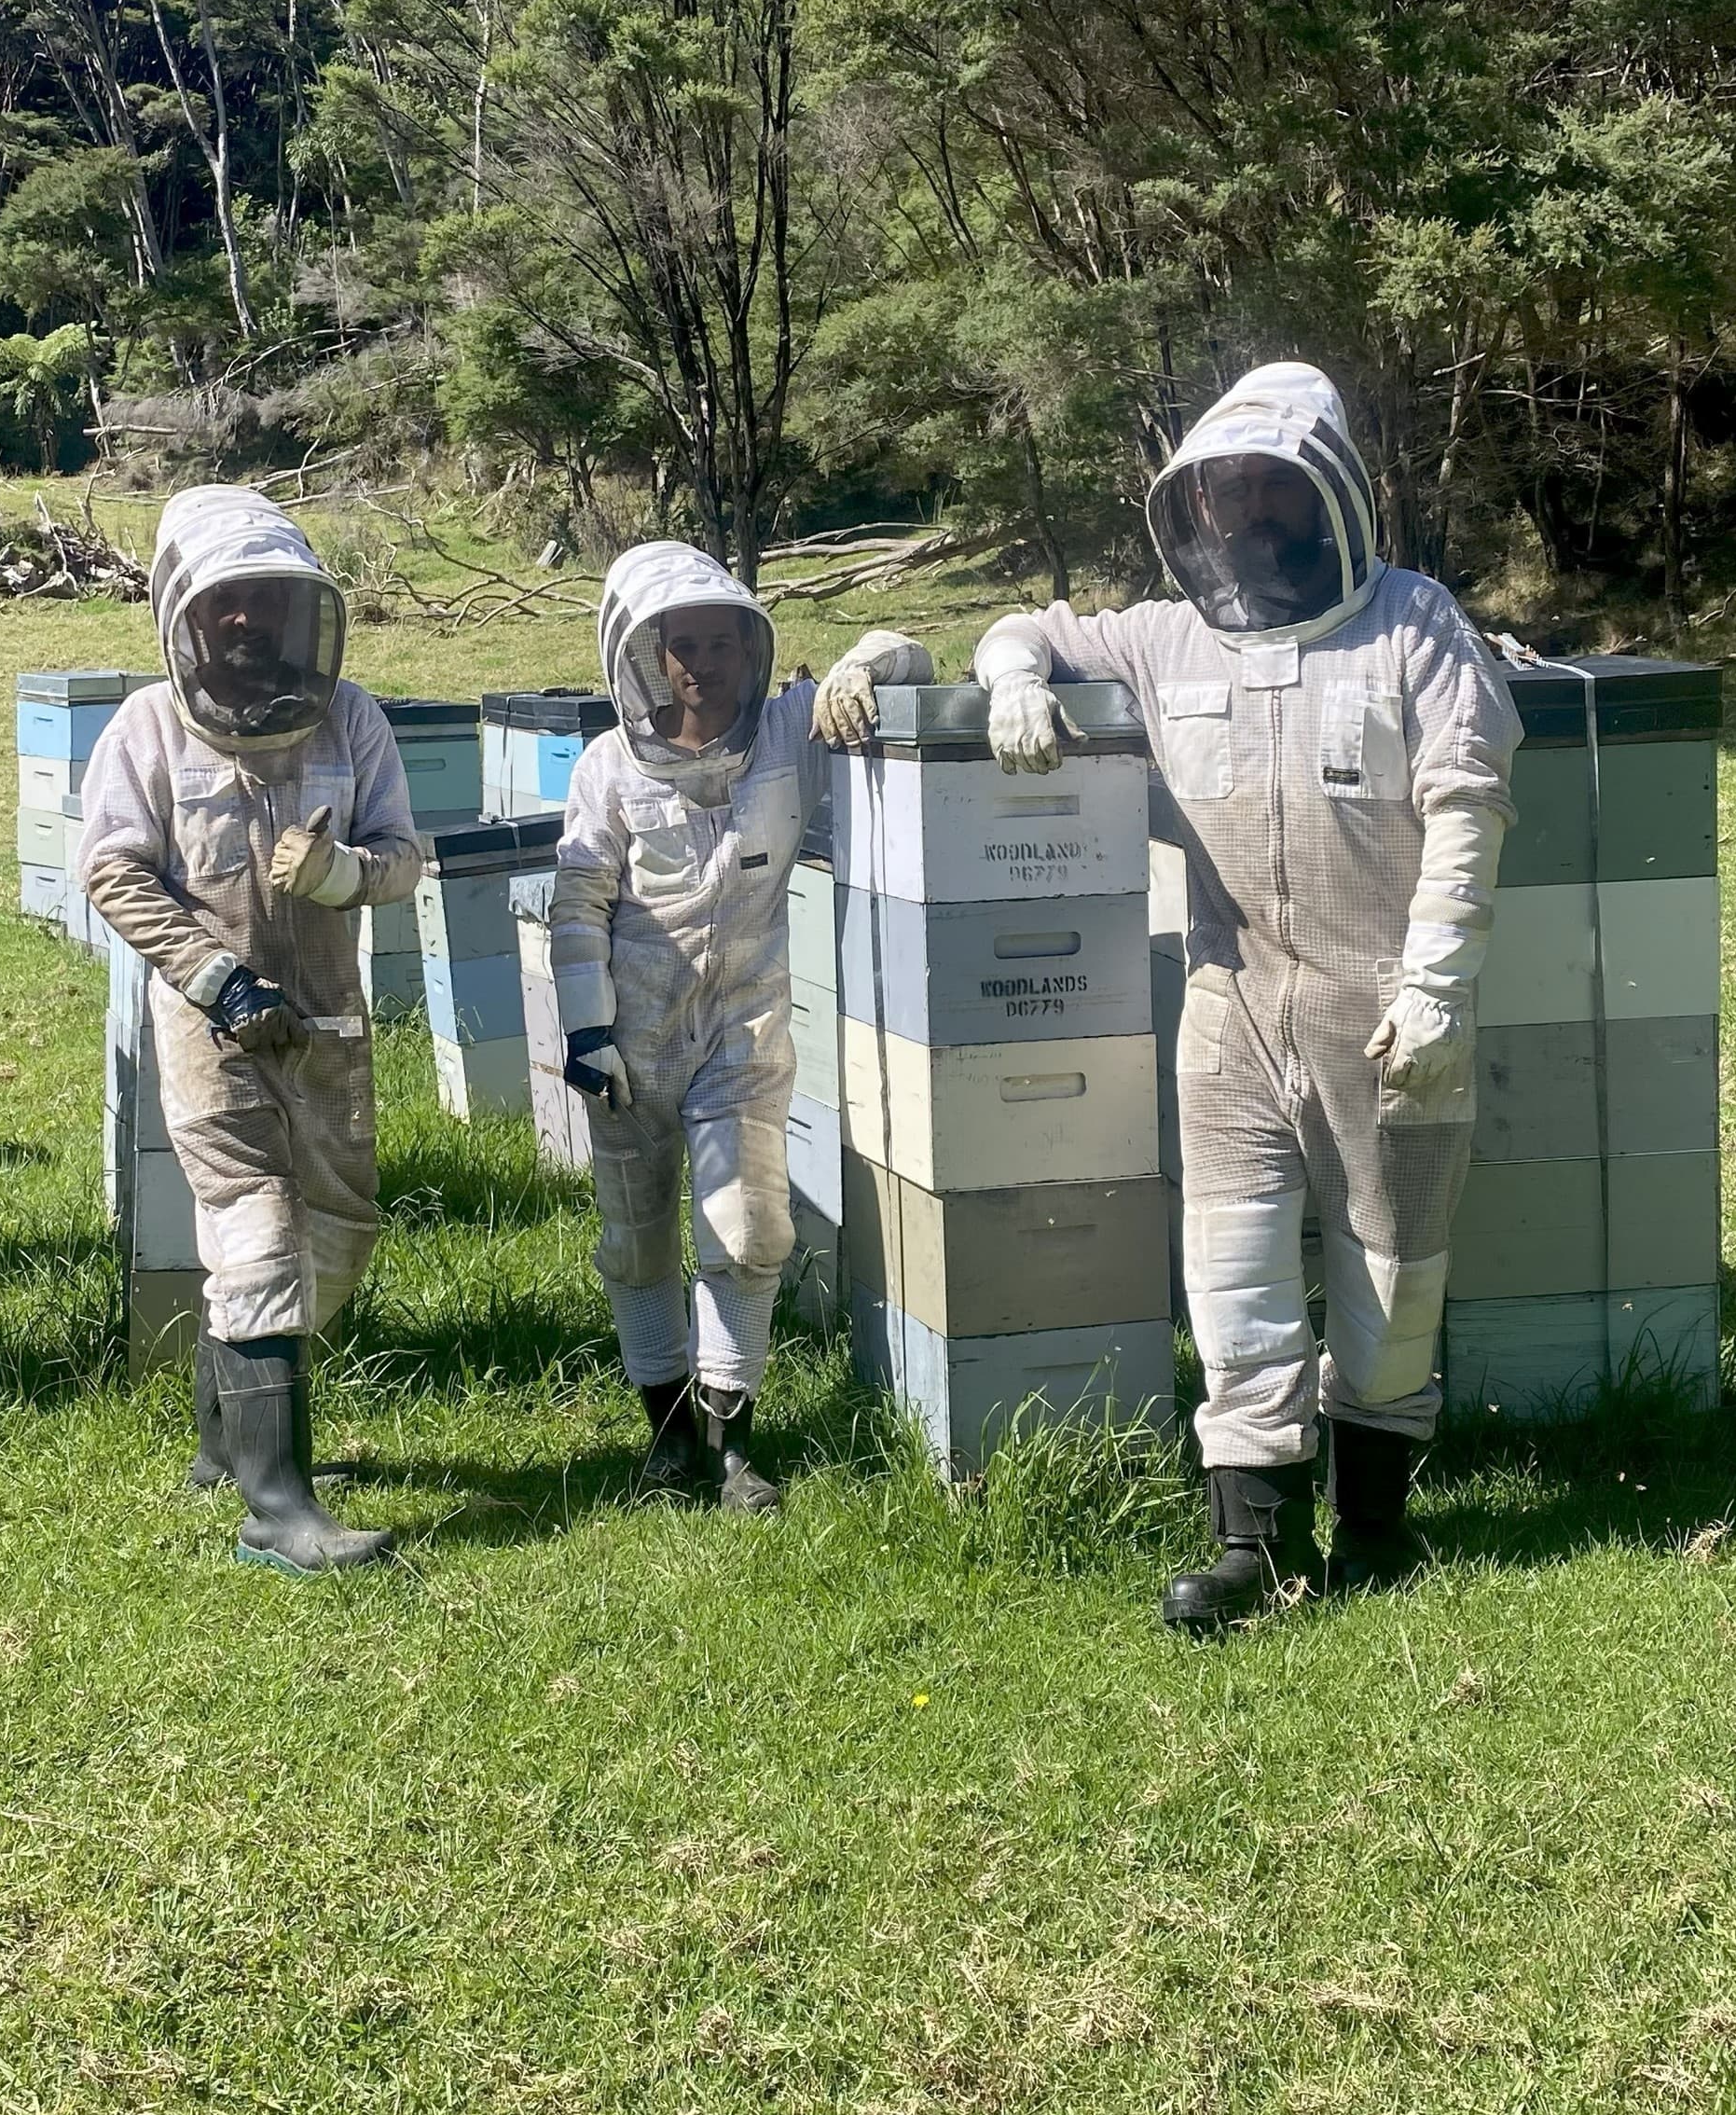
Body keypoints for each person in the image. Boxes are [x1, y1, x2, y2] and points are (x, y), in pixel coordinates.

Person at [971, 363, 1520, 1627]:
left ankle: (1376, 1525)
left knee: (1395, 1275)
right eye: (1229, 493)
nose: (1251, 517)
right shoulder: (1166, 637)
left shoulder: (1416, 625)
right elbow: (1034, 627)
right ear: (1192, 509)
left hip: (1389, 1010)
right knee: (1234, 1278)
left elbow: (1468, 799)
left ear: (1331, 498)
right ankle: (1254, 1546)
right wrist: (1011, 677)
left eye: (1277, 489)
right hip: (1227, 999)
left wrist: (1437, 982)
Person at [76, 486, 426, 1573]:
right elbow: (112, 871)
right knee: (255, 1222)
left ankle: (228, 1441)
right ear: (185, 612)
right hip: (212, 1025)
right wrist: (215, 979)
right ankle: (280, 1510)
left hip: (329, 1025)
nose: (247, 620)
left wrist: (344, 875)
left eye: (269, 601)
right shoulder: (146, 729)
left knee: (335, 1235)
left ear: (301, 612)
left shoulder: (351, 718)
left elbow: (406, 858)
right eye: (227, 603)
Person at [551, 546, 932, 1513]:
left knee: (750, 1227)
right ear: (646, 654)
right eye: (682, 645)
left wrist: (864, 665)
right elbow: (578, 901)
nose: (701, 664)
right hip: (629, 1040)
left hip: (742, 1030)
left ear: (748, 648)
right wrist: (588, 1033)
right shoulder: (606, 768)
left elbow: (915, 660)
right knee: (636, 1243)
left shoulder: (789, 734)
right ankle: (667, 1437)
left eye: (720, 643)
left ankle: (731, 1448)